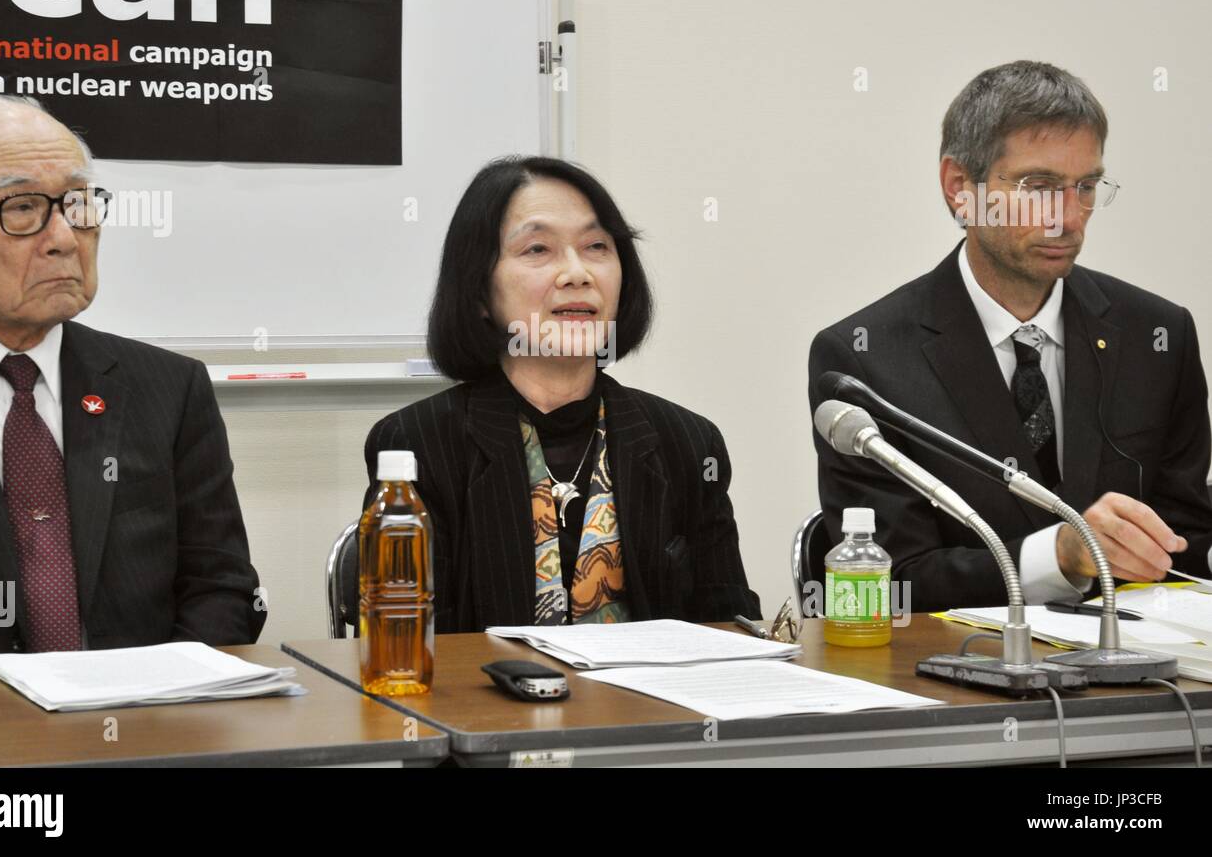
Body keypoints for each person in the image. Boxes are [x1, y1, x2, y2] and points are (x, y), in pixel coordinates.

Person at [808, 60, 1212, 612]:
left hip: (1140, 670)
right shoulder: (865, 361)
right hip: (959, 673)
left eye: (1086, 187)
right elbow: (894, 583)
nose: (1068, 219)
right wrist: (1060, 556)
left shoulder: (1158, 337)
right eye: (1039, 187)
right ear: (959, 188)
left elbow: (1187, 542)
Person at [0, 96, 264, 661]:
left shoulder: (170, 389)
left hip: (140, 727)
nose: (64, 238)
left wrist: (153, 700)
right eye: (22, 207)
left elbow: (222, 588)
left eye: (76, 204)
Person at [362, 155, 761, 631]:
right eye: (537, 250)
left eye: (596, 246)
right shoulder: (418, 443)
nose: (577, 273)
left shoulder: (688, 443)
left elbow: (728, 626)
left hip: (651, 707)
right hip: (485, 704)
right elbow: (404, 640)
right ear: (478, 292)